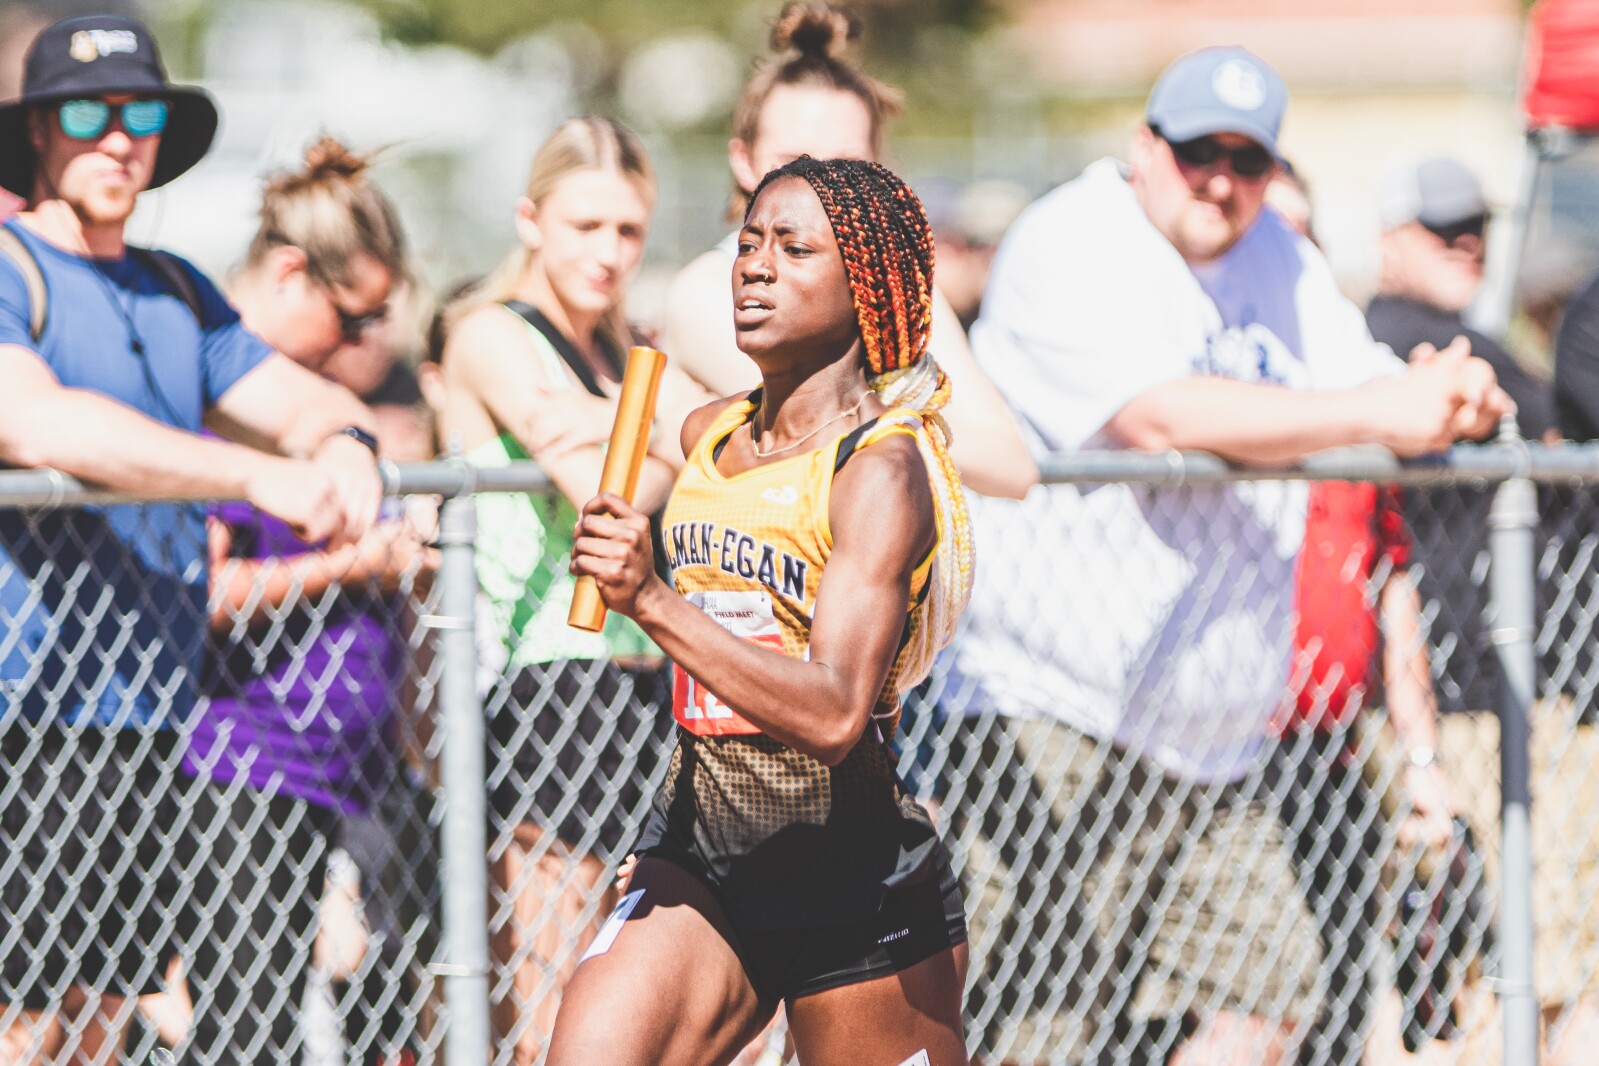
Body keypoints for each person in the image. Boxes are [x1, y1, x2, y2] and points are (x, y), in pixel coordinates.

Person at [957, 46, 1509, 1066]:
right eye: (1198, 151)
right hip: (1054, 712)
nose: (1221, 179)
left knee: (1271, 990)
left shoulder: (1276, 257)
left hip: (1215, 740)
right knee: (1043, 1024)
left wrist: (1446, 395)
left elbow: (1372, 389)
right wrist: (1378, 407)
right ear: (1145, 148)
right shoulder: (1072, 239)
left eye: (1247, 161)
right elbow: (1158, 413)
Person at [0, 15, 380, 1064]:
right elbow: (37, 420)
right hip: (28, 715)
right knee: (25, 1018)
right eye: (87, 112)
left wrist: (346, 443)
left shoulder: (178, 289)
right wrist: (258, 470)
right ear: (37, 130)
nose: (118, 137)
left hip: (155, 713)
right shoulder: (11, 265)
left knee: (103, 1014)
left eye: (142, 113)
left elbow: (303, 404)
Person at [550, 153, 973, 1066]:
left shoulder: (879, 471)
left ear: (865, 285)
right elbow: (635, 424)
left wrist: (652, 601)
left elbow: (831, 712)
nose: (754, 265)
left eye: (793, 248)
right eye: (748, 242)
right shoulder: (711, 435)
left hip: (854, 883)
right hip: (702, 855)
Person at [437, 116, 697, 1066]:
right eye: (585, 225)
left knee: (642, 988)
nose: (608, 252)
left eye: (628, 230)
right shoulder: (489, 332)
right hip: (543, 674)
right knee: (551, 986)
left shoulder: (628, 354)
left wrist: (626, 424)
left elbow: (652, 467)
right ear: (530, 219)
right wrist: (674, 435)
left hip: (641, 670)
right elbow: (602, 493)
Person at [175, 136, 431, 1066]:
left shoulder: (325, 417)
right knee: (250, 1025)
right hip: (245, 763)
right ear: (289, 274)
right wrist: (353, 565)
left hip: (345, 768)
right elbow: (201, 590)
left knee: (365, 1012)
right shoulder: (222, 404)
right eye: (352, 317)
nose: (367, 344)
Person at [660, 1, 1035, 500]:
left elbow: (1010, 465)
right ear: (744, 162)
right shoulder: (711, 286)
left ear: (879, 168)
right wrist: (920, 419)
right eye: (792, 162)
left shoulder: (903, 291)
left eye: (844, 166)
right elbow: (814, 426)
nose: (817, 185)